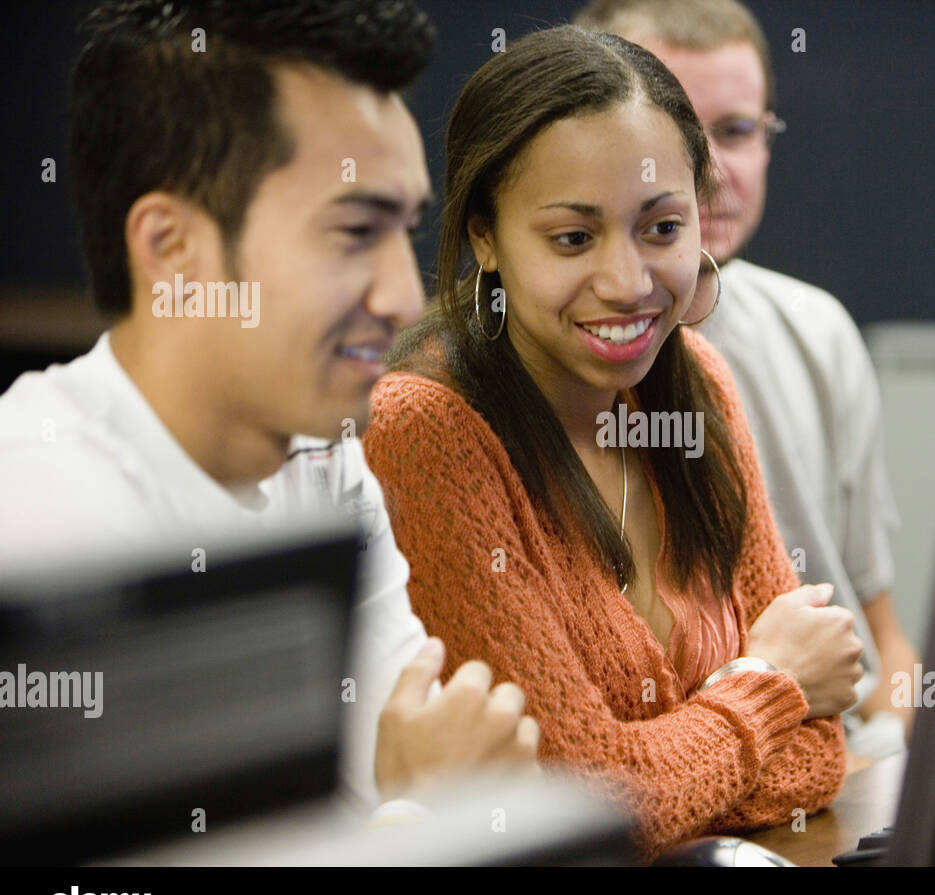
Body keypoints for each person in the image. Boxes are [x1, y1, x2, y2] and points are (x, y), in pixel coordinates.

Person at [0, 0, 536, 815]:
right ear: (172, 251)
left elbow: (388, 751)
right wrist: (423, 819)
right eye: (355, 231)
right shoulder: (44, 516)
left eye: (406, 231)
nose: (402, 295)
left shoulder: (323, 450)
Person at [363, 25, 862, 858]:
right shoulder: (427, 432)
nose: (629, 283)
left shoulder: (697, 380)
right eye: (572, 238)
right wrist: (768, 685)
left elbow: (820, 756)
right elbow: (583, 808)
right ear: (485, 236)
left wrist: (672, 765)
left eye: (662, 228)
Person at [575, 0, 921, 751]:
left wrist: (890, 759)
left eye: (735, 132)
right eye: (670, 135)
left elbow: (889, 643)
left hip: (843, 766)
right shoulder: (559, 364)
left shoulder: (818, 329)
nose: (709, 172)